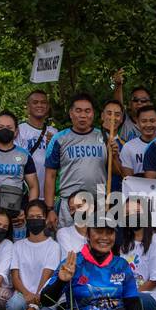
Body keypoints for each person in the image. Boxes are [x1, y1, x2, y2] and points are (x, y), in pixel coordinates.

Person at [40, 217, 148, 310]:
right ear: (88, 234)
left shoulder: (121, 264)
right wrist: (61, 280)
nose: (104, 237)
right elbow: (46, 300)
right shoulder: (73, 264)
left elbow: (132, 299)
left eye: (109, 232)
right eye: (98, 232)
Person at [45, 94, 110, 228]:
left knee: (98, 243)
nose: (83, 115)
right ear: (71, 113)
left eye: (87, 111)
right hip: (70, 204)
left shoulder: (104, 137)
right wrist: (50, 209)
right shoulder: (59, 138)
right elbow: (50, 175)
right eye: (78, 110)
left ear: (93, 114)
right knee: (69, 243)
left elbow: (115, 170)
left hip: (99, 202)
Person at [5, 201, 61, 310]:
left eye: (39, 217)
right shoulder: (18, 246)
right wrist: (26, 294)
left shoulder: (53, 246)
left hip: (45, 299)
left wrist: (35, 304)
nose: (35, 220)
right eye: (31, 217)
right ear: (25, 219)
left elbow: (47, 277)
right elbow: (15, 276)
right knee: (13, 307)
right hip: (24, 296)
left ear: (46, 218)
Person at [119, 200, 156, 310]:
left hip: (152, 298)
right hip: (129, 294)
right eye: (127, 213)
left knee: (125, 301)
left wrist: (128, 294)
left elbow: (154, 281)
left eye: (136, 212)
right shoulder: (125, 244)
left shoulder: (155, 241)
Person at [17, 89, 58, 201]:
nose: (40, 105)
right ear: (28, 107)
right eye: (35, 102)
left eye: (43, 102)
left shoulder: (54, 132)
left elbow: (60, 163)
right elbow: (14, 158)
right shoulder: (19, 130)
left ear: (48, 106)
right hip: (24, 192)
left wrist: (53, 149)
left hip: (47, 194)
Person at [119, 105, 156, 177]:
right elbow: (128, 179)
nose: (148, 125)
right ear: (137, 123)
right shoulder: (128, 147)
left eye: (152, 121)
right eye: (144, 121)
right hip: (137, 187)